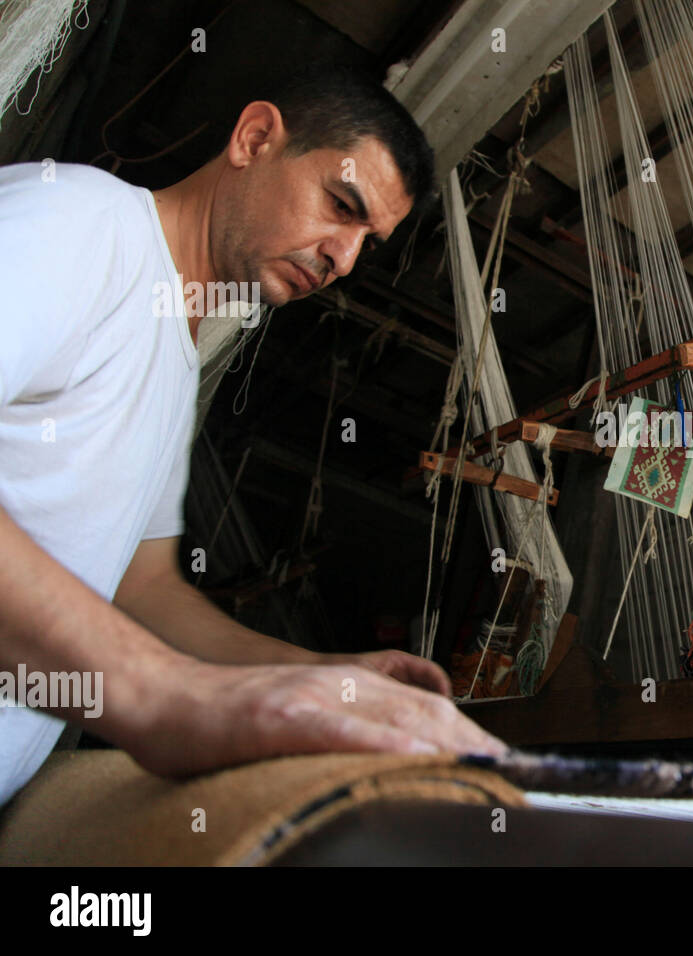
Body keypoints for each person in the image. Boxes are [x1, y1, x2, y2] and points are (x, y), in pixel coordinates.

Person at [0, 68, 506, 807]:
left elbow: (143, 590)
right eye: (341, 206)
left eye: (366, 241)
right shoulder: (81, 224)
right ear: (255, 138)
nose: (344, 259)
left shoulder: (176, 365)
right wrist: (166, 696)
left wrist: (322, 675)